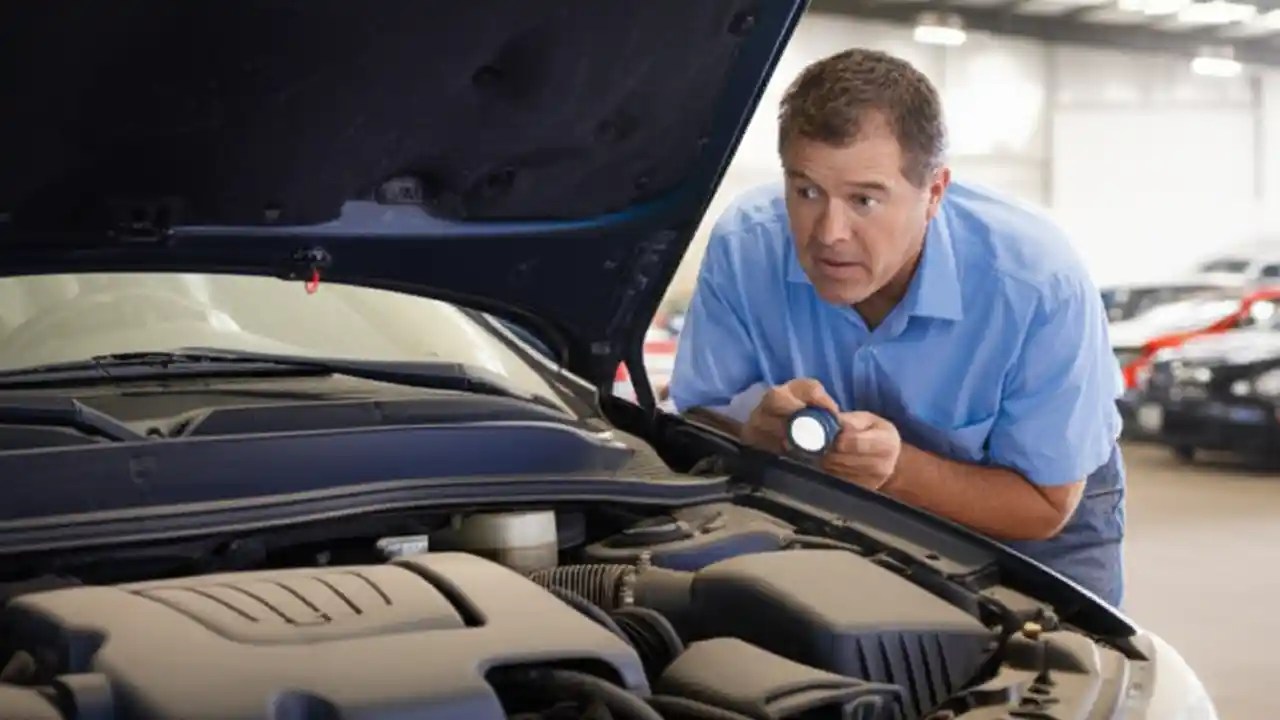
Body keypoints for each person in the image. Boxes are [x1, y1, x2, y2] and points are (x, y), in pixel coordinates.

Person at [668, 48, 1126, 607]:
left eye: (864, 199)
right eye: (807, 191)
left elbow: (1045, 504)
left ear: (933, 193)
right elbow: (696, 418)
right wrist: (754, 433)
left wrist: (897, 470)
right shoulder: (746, 247)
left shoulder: (1036, 283)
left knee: (1061, 668)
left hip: (1036, 503)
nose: (830, 232)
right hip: (833, 497)